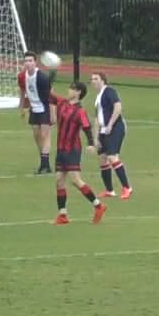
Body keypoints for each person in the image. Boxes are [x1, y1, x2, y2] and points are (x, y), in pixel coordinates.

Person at [48, 82, 105, 226]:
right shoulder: (61, 103)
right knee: (59, 181)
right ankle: (63, 215)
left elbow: (87, 128)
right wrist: (46, 82)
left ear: (78, 93)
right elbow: (48, 96)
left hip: (72, 149)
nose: (69, 90)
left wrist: (91, 143)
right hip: (61, 148)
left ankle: (99, 206)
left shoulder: (80, 111)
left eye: (72, 88)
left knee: (75, 180)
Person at [89, 72, 133, 200]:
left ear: (103, 80)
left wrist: (110, 125)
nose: (93, 81)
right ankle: (109, 190)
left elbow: (118, 107)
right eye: (92, 79)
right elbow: (97, 118)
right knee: (102, 158)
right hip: (103, 130)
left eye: (96, 78)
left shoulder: (109, 91)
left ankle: (127, 187)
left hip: (115, 128)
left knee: (112, 157)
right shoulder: (97, 98)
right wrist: (96, 137)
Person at [17, 51, 53, 175]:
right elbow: (22, 92)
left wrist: (53, 114)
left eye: (30, 61)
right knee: (37, 136)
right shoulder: (22, 76)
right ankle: (45, 164)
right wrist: (21, 107)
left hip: (45, 108)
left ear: (35, 62)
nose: (28, 63)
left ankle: (44, 165)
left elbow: (50, 96)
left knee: (44, 135)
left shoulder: (42, 77)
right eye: (26, 61)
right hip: (33, 109)